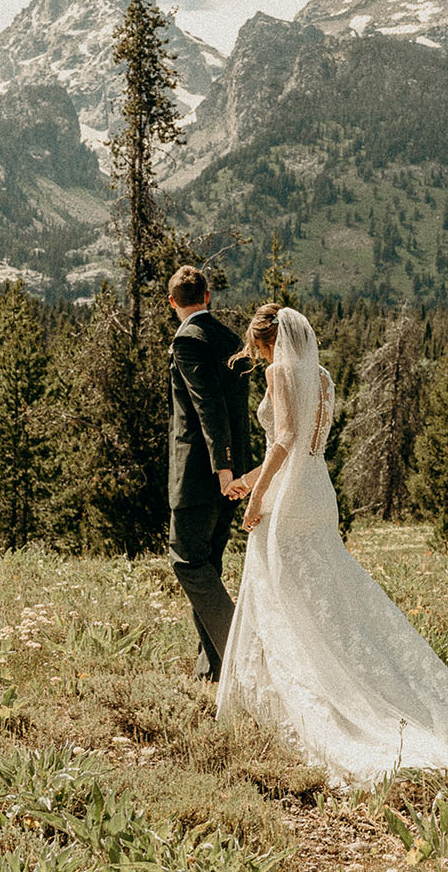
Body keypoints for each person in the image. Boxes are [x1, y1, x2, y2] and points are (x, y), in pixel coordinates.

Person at [216, 305, 448, 805]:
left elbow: (284, 438)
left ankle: (307, 695)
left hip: (288, 497)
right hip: (317, 492)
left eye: (257, 350)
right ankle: (353, 676)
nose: (259, 359)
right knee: (329, 596)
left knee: (283, 597)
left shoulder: (280, 371)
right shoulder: (319, 375)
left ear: (266, 343)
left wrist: (257, 499)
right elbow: (303, 448)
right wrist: (249, 481)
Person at [167, 265, 252, 682]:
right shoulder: (230, 338)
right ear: (207, 297)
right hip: (233, 476)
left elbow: (209, 408)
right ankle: (212, 670)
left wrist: (222, 469)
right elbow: (238, 411)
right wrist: (240, 471)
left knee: (185, 559)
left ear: (173, 303)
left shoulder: (189, 338)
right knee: (210, 565)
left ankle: (239, 645)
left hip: (203, 475)